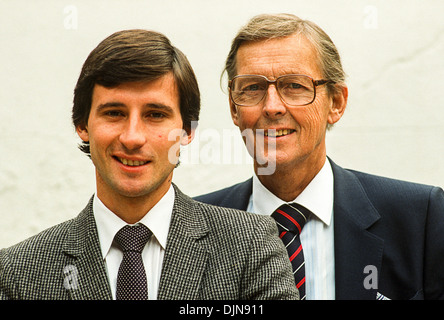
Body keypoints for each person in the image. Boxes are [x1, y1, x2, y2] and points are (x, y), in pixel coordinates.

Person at [0, 29, 298, 300]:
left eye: (155, 114)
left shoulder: (250, 247)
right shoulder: (19, 272)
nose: (132, 137)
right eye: (114, 113)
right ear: (82, 124)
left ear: (187, 130)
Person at [195, 13, 444, 300]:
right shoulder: (193, 228)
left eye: (295, 85)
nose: (272, 106)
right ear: (233, 108)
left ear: (336, 102)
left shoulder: (420, 219)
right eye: (253, 87)